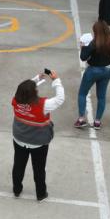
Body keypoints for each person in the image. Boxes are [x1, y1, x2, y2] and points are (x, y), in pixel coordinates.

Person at [12, 69, 64, 200]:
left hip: (19, 140)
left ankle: (17, 189)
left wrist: (36, 79)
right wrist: (56, 80)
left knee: (18, 166)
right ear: (34, 92)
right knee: (39, 169)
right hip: (38, 144)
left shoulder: (15, 100)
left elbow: (24, 90)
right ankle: (41, 193)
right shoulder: (43, 105)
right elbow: (60, 99)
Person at [75, 22, 110, 130]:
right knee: (101, 96)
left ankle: (81, 120)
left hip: (93, 71)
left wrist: (83, 47)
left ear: (96, 32)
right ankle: (97, 122)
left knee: (82, 93)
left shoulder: (93, 44)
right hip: (107, 70)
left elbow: (83, 58)